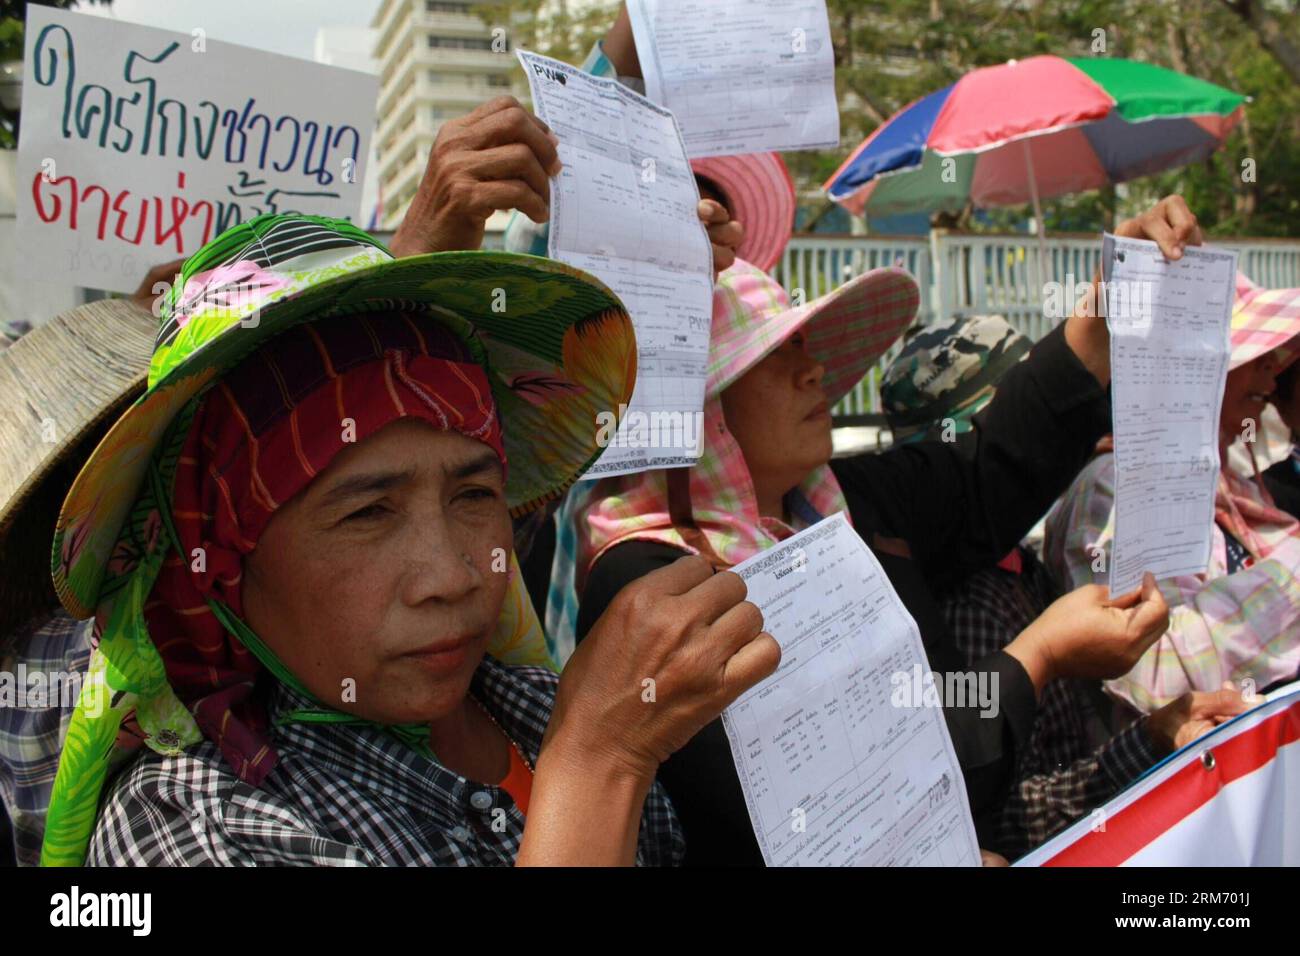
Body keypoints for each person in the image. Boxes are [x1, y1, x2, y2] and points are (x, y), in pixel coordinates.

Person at [36, 213, 780, 867]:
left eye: (475, 494)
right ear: (224, 565)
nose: (453, 577)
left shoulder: (539, 705)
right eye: (367, 513)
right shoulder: (193, 826)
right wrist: (598, 764)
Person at [564, 195, 1209, 864]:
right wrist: (1038, 656)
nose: (813, 369)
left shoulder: (839, 504)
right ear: (699, 407)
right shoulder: (648, 584)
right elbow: (842, 802)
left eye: (804, 345)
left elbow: (989, 465)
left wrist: (1101, 317)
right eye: (772, 357)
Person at [881, 314, 1250, 858]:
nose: (1078, 424)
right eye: (1040, 413)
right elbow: (1005, 820)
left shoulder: (1019, 570)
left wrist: (1153, 738)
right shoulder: (970, 607)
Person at [1046, 274, 1300, 714]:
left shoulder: (1234, 482)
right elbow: (1151, 672)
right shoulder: (1117, 487)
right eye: (1256, 357)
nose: (1272, 377)